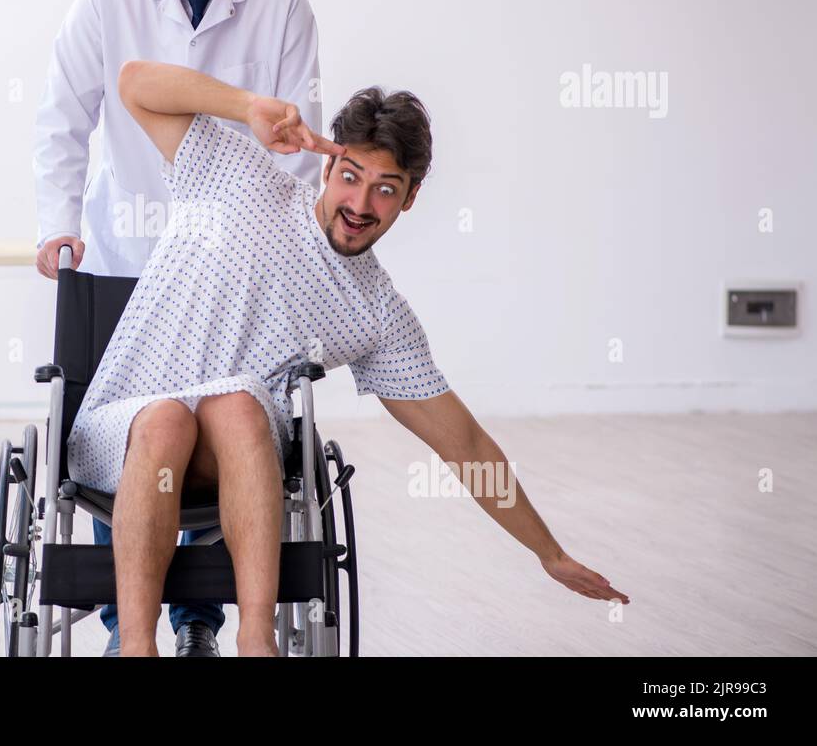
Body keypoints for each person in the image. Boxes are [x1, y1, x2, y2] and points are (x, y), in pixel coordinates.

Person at [67, 59, 631, 657]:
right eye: (351, 176)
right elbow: (133, 83)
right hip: (123, 434)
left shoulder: (376, 312)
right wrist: (246, 106)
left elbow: (463, 444)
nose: (361, 203)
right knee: (166, 417)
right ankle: (136, 648)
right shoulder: (239, 177)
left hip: (230, 453)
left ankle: (257, 644)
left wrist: (549, 552)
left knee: (232, 404)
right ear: (328, 164)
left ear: (410, 198)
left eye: (386, 188)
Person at [32, 0, 322, 657]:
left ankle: (202, 624)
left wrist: (268, 240)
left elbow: (299, 146)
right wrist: (58, 221)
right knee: (151, 429)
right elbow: (65, 117)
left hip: (233, 264)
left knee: (226, 417)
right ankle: (133, 626)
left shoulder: (282, 4)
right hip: (128, 250)